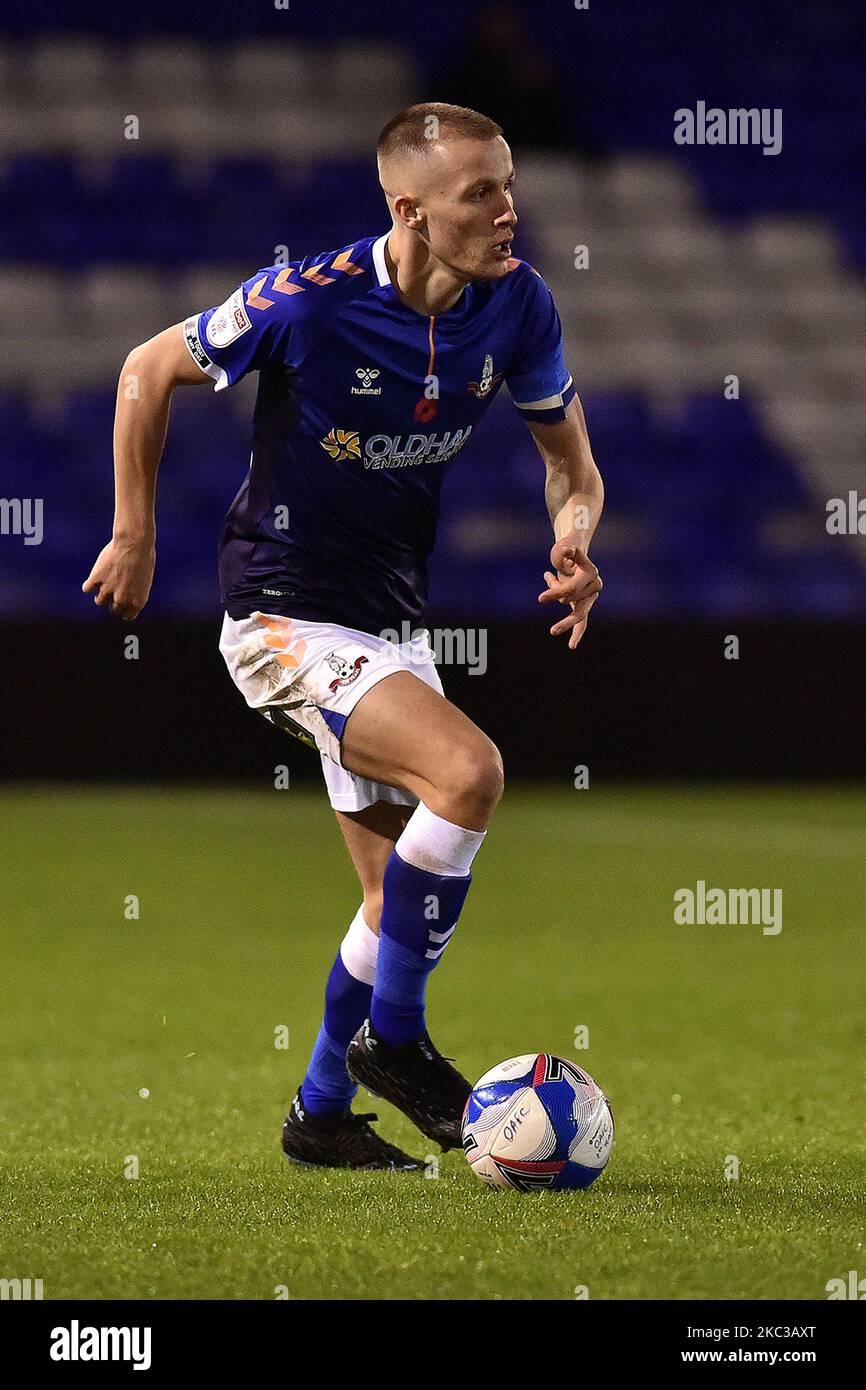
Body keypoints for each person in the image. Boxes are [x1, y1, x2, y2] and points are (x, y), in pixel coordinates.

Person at [83, 103, 604, 1171]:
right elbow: (146, 366)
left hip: (388, 624)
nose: (509, 211)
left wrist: (575, 537)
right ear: (409, 209)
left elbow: (571, 467)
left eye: (507, 184)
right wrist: (133, 531)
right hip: (281, 614)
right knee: (468, 773)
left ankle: (319, 1114)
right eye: (481, 193)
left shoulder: (518, 308)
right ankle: (398, 1043)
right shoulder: (307, 301)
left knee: (385, 901)